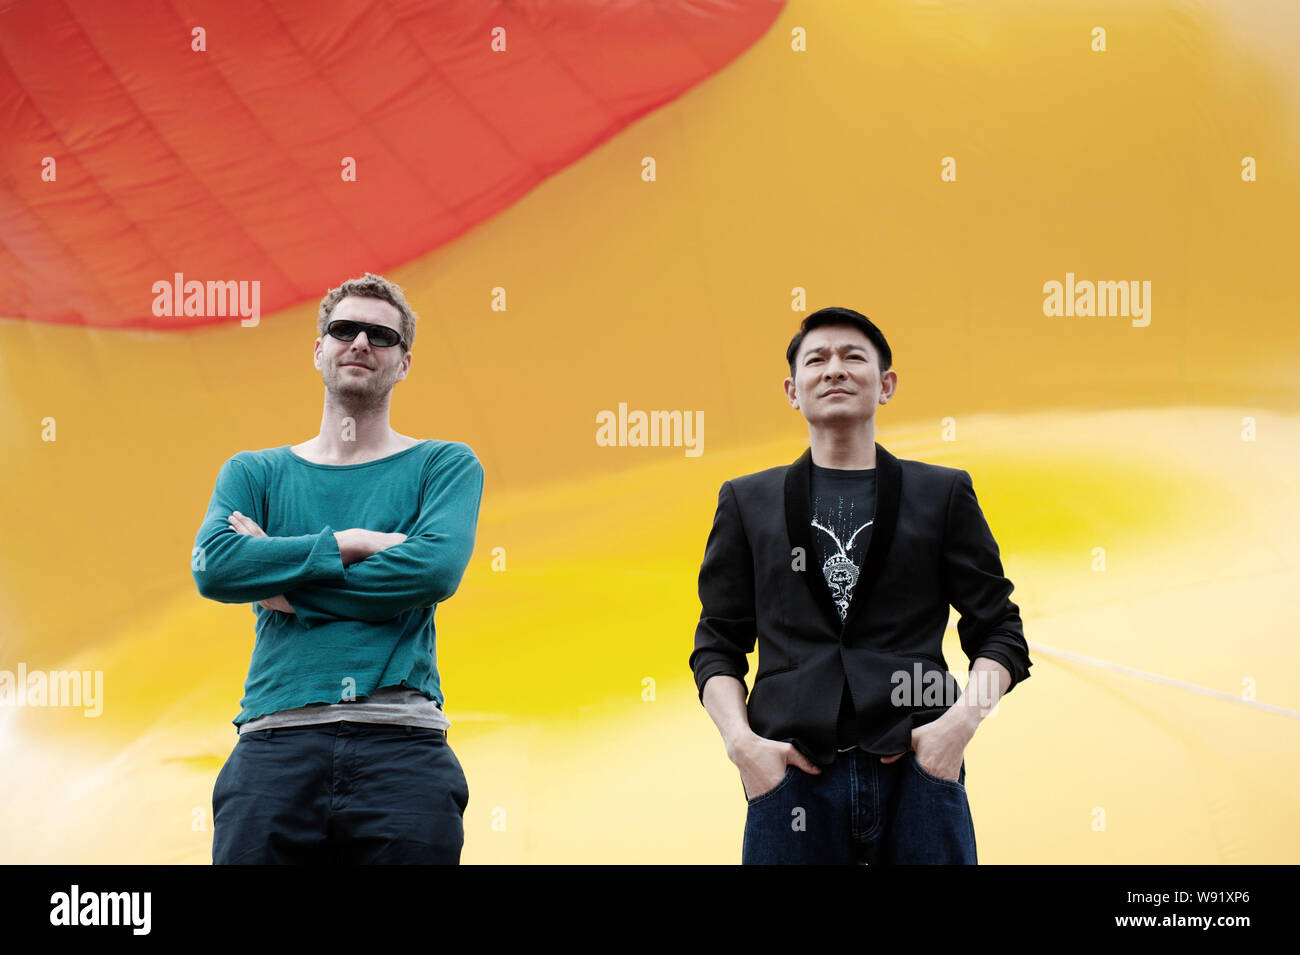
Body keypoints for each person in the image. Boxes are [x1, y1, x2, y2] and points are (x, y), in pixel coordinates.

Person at [689, 306, 1032, 864]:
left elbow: (1002, 634)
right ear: (792, 390)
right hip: (790, 781)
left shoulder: (941, 493)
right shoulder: (746, 502)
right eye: (816, 359)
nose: (834, 369)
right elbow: (717, 644)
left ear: (886, 384)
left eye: (854, 357)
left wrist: (958, 729)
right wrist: (742, 745)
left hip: (919, 776)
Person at [192, 272, 484, 864]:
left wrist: (288, 585)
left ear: (403, 363)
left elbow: (432, 572)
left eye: (380, 335)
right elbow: (215, 567)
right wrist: (352, 542)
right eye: (343, 329)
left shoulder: (445, 465)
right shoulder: (253, 472)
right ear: (319, 349)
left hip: (402, 748)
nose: (360, 343)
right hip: (274, 744)